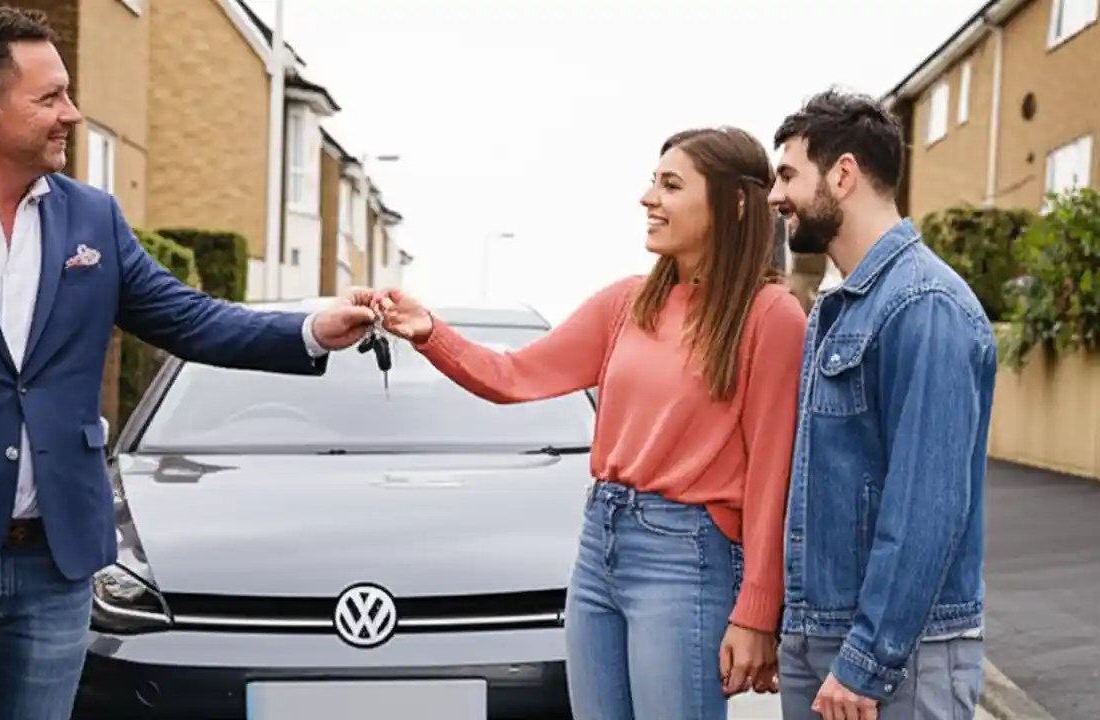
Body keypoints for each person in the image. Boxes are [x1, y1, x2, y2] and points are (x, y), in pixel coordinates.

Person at [0, 7, 375, 719]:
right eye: (50, 97)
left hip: (55, 567)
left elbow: (190, 318)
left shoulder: (93, 219)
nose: (72, 115)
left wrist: (311, 330)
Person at [374, 127, 808, 720]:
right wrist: (430, 332)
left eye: (671, 185)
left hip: (686, 560)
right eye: (654, 182)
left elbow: (773, 475)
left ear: (734, 203)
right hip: (599, 545)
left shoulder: (770, 315)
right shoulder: (629, 303)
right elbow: (514, 376)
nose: (647, 198)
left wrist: (758, 612)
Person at [767, 89, 996, 720]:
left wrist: (865, 662)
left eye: (788, 173)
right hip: (825, 642)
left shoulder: (925, 305)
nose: (774, 195)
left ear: (841, 175)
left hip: (897, 660)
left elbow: (928, 503)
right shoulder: (839, 311)